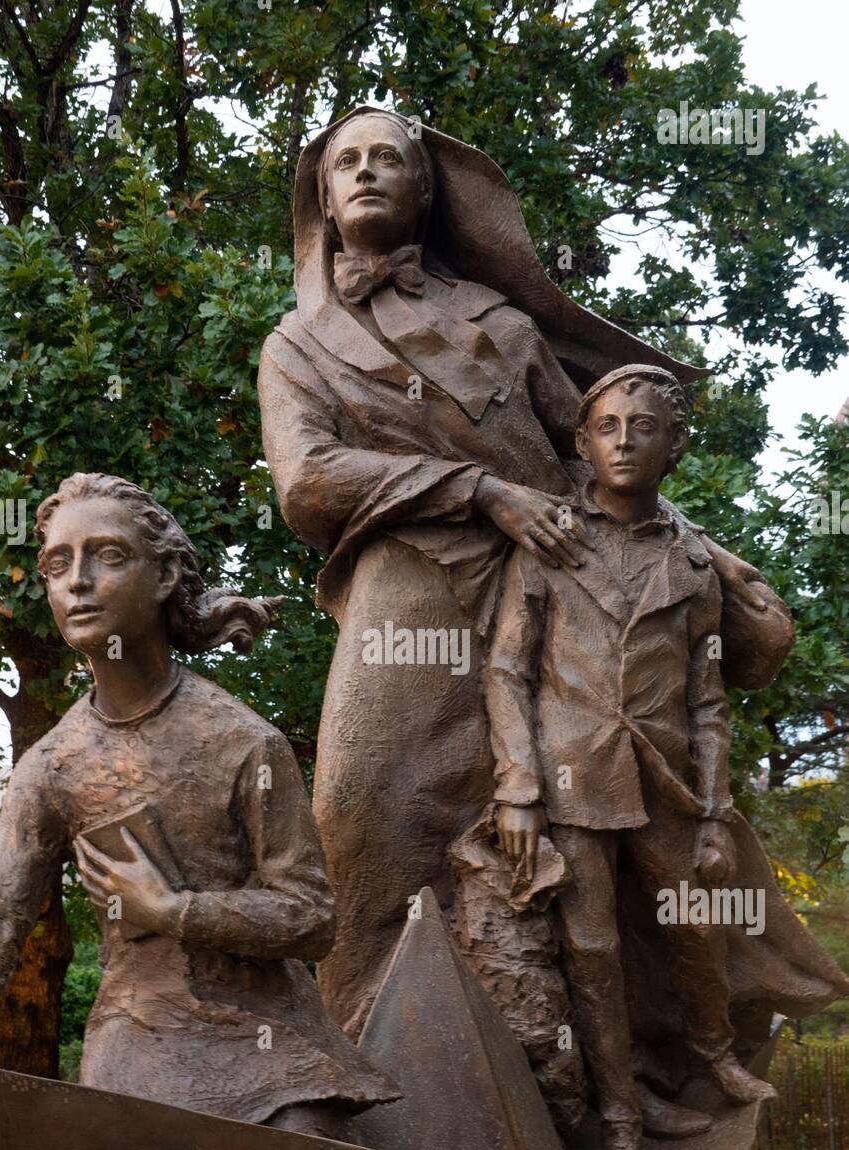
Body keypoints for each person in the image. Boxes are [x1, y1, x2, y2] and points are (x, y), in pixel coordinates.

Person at [259, 106, 800, 1044]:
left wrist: (701, 549)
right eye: (347, 161)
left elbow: (594, 460)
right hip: (410, 580)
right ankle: (355, 1059)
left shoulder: (500, 325)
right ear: (322, 195)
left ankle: (634, 1061)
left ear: (427, 191)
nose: (367, 172)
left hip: (557, 576)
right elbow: (307, 484)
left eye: (389, 158)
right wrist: (474, 490)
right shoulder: (297, 346)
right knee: (359, 808)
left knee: (603, 809)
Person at [487, 365, 848, 1150]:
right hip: (573, 780)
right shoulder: (547, 544)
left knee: (696, 927)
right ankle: (620, 1128)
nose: (621, 441)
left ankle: (710, 1050)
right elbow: (506, 671)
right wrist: (519, 786)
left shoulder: (692, 566)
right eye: (606, 427)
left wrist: (717, 811)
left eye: (641, 427)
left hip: (668, 785)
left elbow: (708, 699)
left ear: (673, 444)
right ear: (583, 442)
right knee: (595, 956)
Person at [0, 473, 399, 1136]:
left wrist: (177, 912)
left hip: (267, 1026)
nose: (78, 581)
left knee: (307, 1148)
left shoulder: (244, 741)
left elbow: (312, 916)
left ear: (166, 574)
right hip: (138, 1030)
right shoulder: (50, 770)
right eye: (58, 565)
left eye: (108, 556)